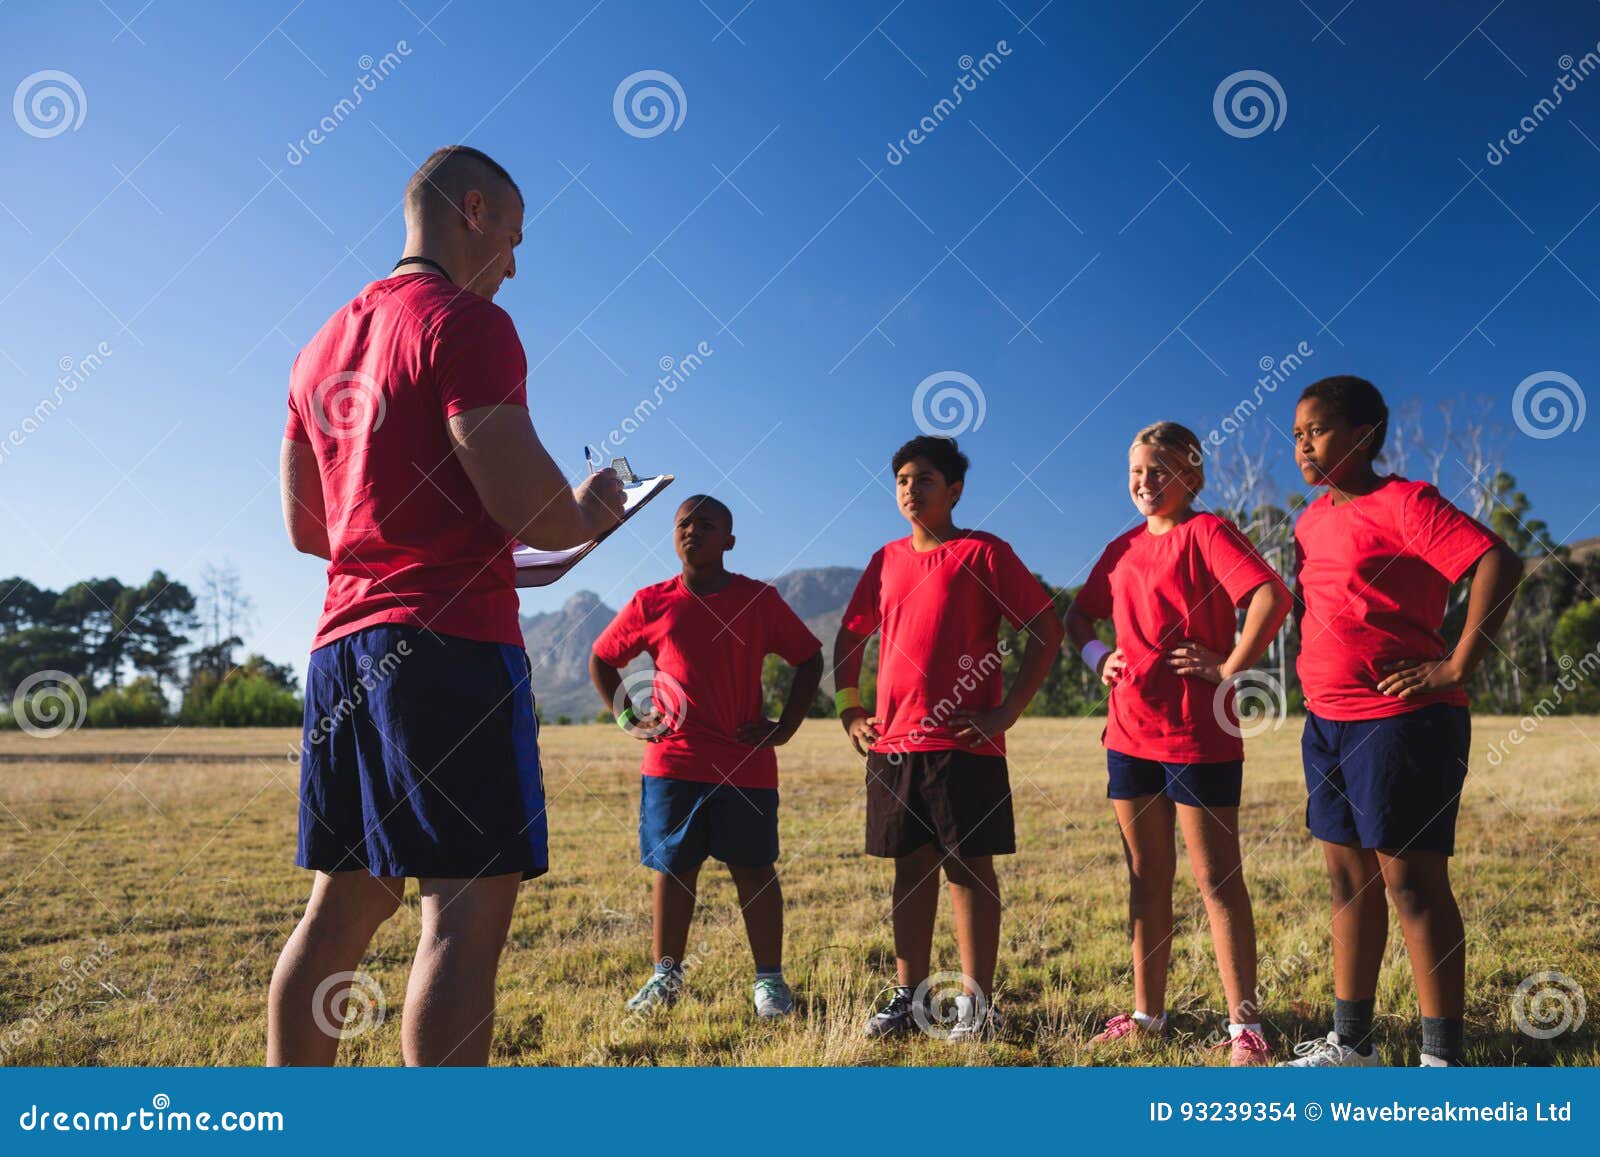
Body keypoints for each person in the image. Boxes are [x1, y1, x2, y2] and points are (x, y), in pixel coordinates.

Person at [270, 145, 625, 1066]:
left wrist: (485, 548)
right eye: (513, 237)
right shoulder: (466, 322)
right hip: (447, 655)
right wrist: (583, 512)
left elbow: (311, 527)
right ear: (474, 210)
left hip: (344, 648)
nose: (514, 261)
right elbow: (527, 499)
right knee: (463, 916)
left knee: (342, 907)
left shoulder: (318, 350)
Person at [1280, 376, 1521, 1068]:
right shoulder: (1308, 519)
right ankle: (1351, 1043)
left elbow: (1497, 560)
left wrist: (1458, 663)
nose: (1302, 444)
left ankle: (1442, 1059)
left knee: (1410, 885)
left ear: (1363, 434)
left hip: (1403, 720)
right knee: (1346, 882)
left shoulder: (1406, 502)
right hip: (1326, 722)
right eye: (1296, 433)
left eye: (1317, 429)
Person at [1064, 421, 1291, 1066]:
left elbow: (1272, 596)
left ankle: (1244, 1027)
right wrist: (1097, 655)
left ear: (1191, 477)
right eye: (1136, 471)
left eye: (1160, 470)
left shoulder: (1208, 533)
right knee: (1147, 876)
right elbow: (1078, 616)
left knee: (1216, 880)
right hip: (1128, 734)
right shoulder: (1119, 548)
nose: (1145, 482)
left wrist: (1230, 667)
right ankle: (1147, 1015)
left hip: (1199, 734)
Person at [834, 435, 1063, 1043]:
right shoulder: (884, 561)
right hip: (895, 748)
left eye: (925, 479)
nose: (910, 488)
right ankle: (909, 999)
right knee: (909, 870)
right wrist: (850, 710)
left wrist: (1008, 709)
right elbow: (850, 638)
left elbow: (1046, 627)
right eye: (903, 479)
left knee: (968, 870)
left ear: (954, 490)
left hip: (965, 745)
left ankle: (974, 1005)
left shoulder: (984, 554)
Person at [590, 495, 824, 1018]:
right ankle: (664, 978)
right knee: (673, 872)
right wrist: (628, 715)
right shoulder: (651, 601)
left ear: (729, 541)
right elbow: (604, 658)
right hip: (673, 765)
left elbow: (809, 657)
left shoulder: (758, 600)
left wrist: (784, 727)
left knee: (755, 871)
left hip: (746, 765)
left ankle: (769, 982)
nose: (692, 531)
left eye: (706, 524)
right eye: (683, 524)